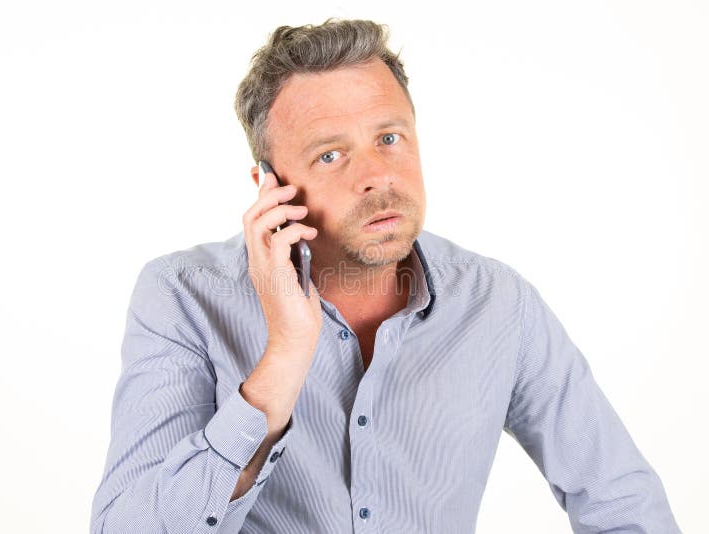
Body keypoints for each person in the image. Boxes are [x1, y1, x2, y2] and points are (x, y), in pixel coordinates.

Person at [89, 17, 681, 533]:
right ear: (270, 189)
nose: (376, 175)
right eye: (330, 154)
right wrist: (283, 360)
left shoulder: (499, 303)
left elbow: (620, 501)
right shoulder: (183, 297)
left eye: (389, 138)